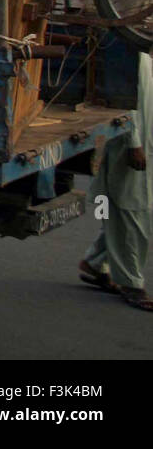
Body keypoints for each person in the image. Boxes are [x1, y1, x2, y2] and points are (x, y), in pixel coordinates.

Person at [79, 46, 153, 312]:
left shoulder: (142, 51)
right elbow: (123, 100)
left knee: (131, 211)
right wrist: (133, 142)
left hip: (145, 139)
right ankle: (132, 283)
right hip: (133, 143)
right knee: (133, 214)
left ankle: (95, 263)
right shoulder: (126, 49)